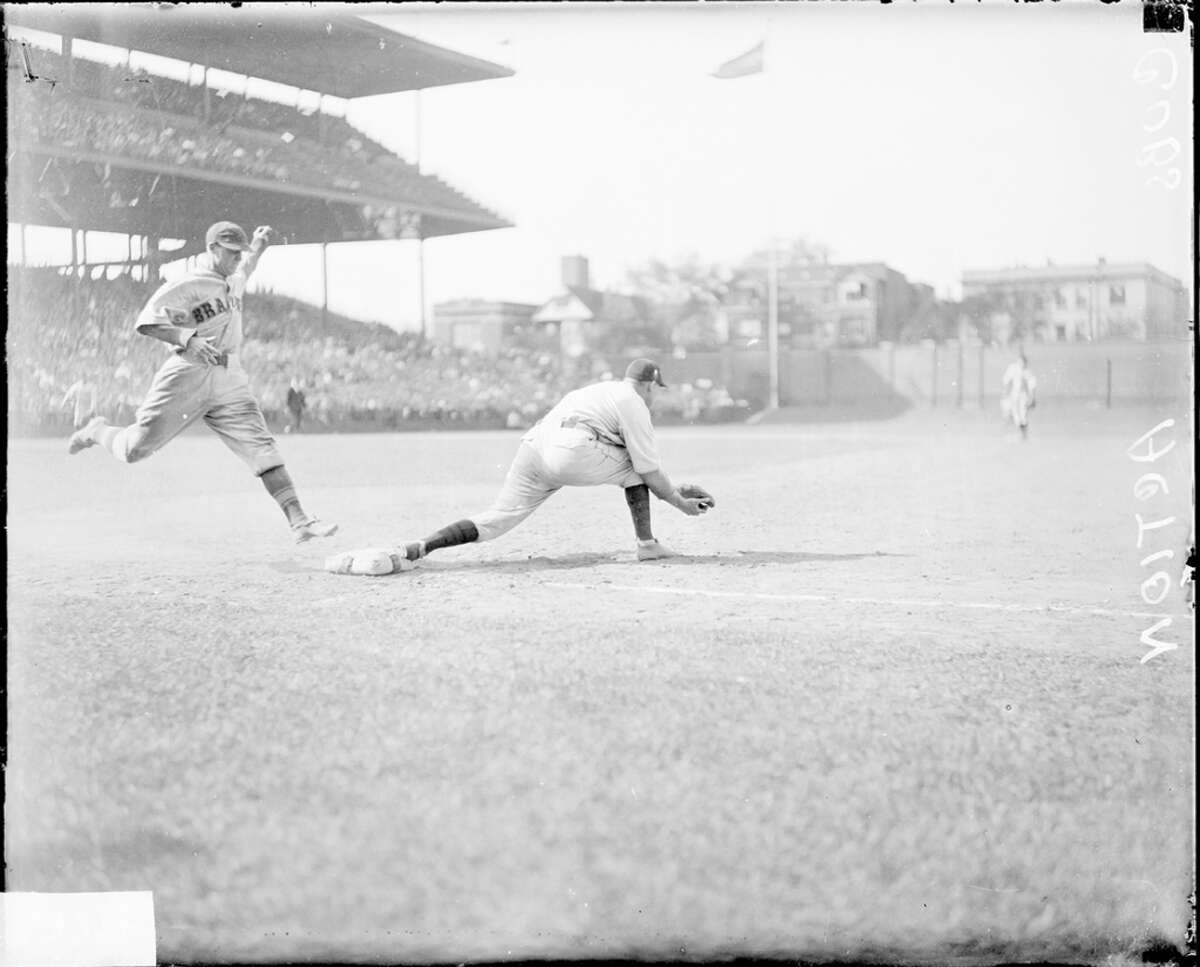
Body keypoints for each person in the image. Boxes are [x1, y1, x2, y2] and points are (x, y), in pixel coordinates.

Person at [67, 221, 337, 544]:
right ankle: (96, 429)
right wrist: (186, 338)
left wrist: (258, 244)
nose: (238, 259)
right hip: (187, 371)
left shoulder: (233, 277)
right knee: (134, 449)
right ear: (212, 249)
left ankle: (300, 521)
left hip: (230, 377)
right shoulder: (188, 283)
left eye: (240, 253)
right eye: (232, 252)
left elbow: (247, 267)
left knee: (261, 447)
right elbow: (146, 321)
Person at [326, 358, 715, 576]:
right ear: (648, 385)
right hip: (573, 450)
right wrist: (679, 501)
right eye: (655, 389)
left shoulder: (595, 390)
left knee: (497, 517)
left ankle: (417, 548)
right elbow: (646, 471)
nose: (654, 396)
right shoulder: (633, 403)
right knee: (635, 470)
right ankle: (647, 545)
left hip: (536, 444)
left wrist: (674, 489)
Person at [1001, 351, 1038, 440]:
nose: (1021, 364)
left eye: (1023, 362)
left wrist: (1032, 398)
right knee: (1015, 413)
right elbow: (1006, 380)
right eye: (1019, 362)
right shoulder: (1013, 369)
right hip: (1014, 394)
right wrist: (1005, 392)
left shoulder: (1027, 372)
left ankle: (1024, 433)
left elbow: (1032, 385)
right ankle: (1020, 431)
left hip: (1023, 396)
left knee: (1023, 414)